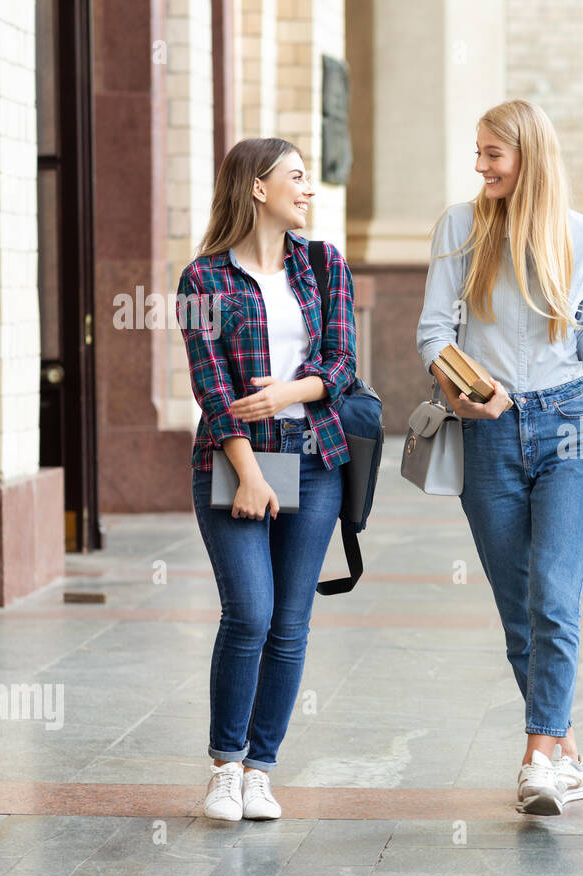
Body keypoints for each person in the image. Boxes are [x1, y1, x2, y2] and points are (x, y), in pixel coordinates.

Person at [416, 99, 583, 815]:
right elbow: (434, 334)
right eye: (477, 152)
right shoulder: (460, 227)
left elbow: (582, 341)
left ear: (527, 154)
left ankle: (536, 753)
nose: (479, 165)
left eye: (492, 153)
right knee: (520, 611)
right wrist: (467, 391)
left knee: (556, 597)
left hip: (571, 425)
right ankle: (565, 749)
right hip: (488, 429)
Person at [177, 137, 355, 821]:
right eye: (297, 178)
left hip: (313, 456)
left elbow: (342, 365)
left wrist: (287, 394)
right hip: (233, 460)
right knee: (248, 611)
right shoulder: (203, 279)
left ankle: (260, 769)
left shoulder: (321, 263)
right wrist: (248, 471)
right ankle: (225, 764)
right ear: (257, 186)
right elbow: (211, 385)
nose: (308, 190)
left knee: (290, 622)